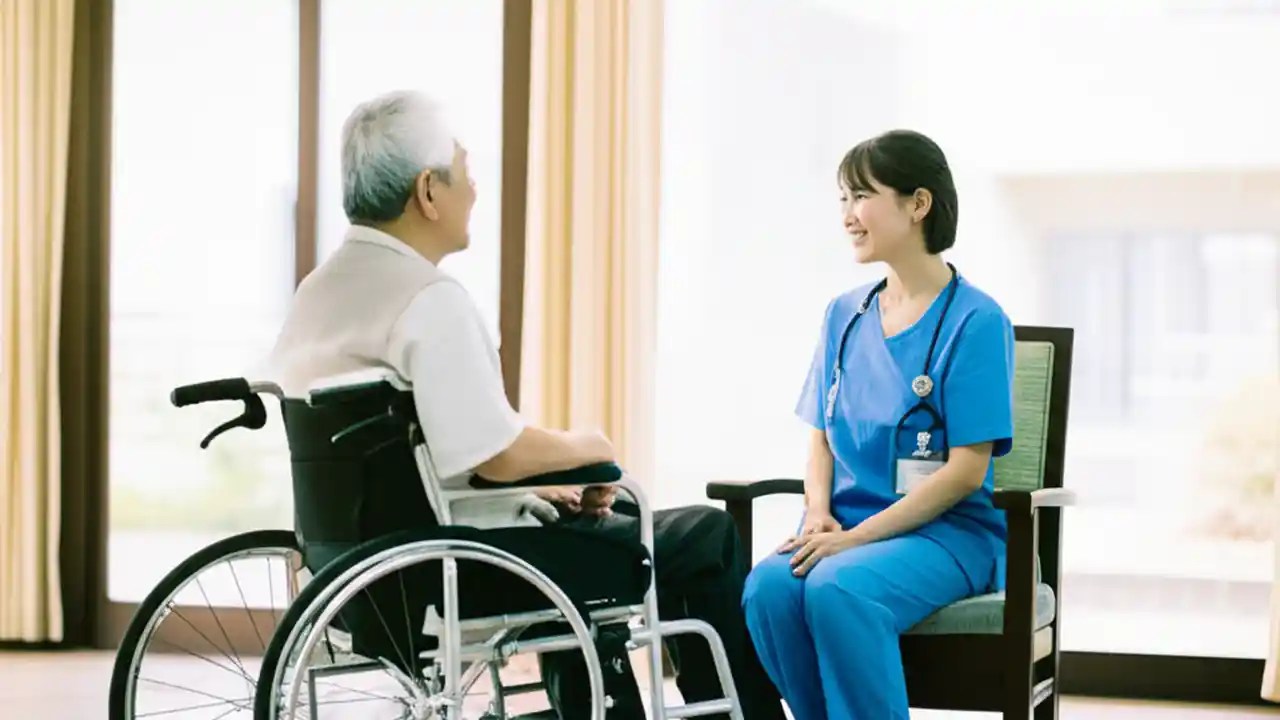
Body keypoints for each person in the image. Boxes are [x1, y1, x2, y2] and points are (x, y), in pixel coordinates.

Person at [265, 89, 783, 720]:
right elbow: (497, 453)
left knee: (573, 523)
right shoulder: (429, 299)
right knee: (704, 534)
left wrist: (533, 494)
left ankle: (593, 695)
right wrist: (591, 448)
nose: (475, 189)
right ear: (429, 191)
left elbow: (427, 458)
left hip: (359, 575)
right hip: (454, 573)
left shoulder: (316, 294)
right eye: (466, 170)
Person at [741, 130, 1016, 719]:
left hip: (946, 535)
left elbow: (967, 472)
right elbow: (819, 432)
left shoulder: (977, 321)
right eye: (842, 198)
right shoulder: (844, 314)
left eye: (861, 196)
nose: (847, 215)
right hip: (844, 524)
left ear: (919, 204)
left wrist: (853, 542)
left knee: (839, 587)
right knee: (769, 588)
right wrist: (818, 511)